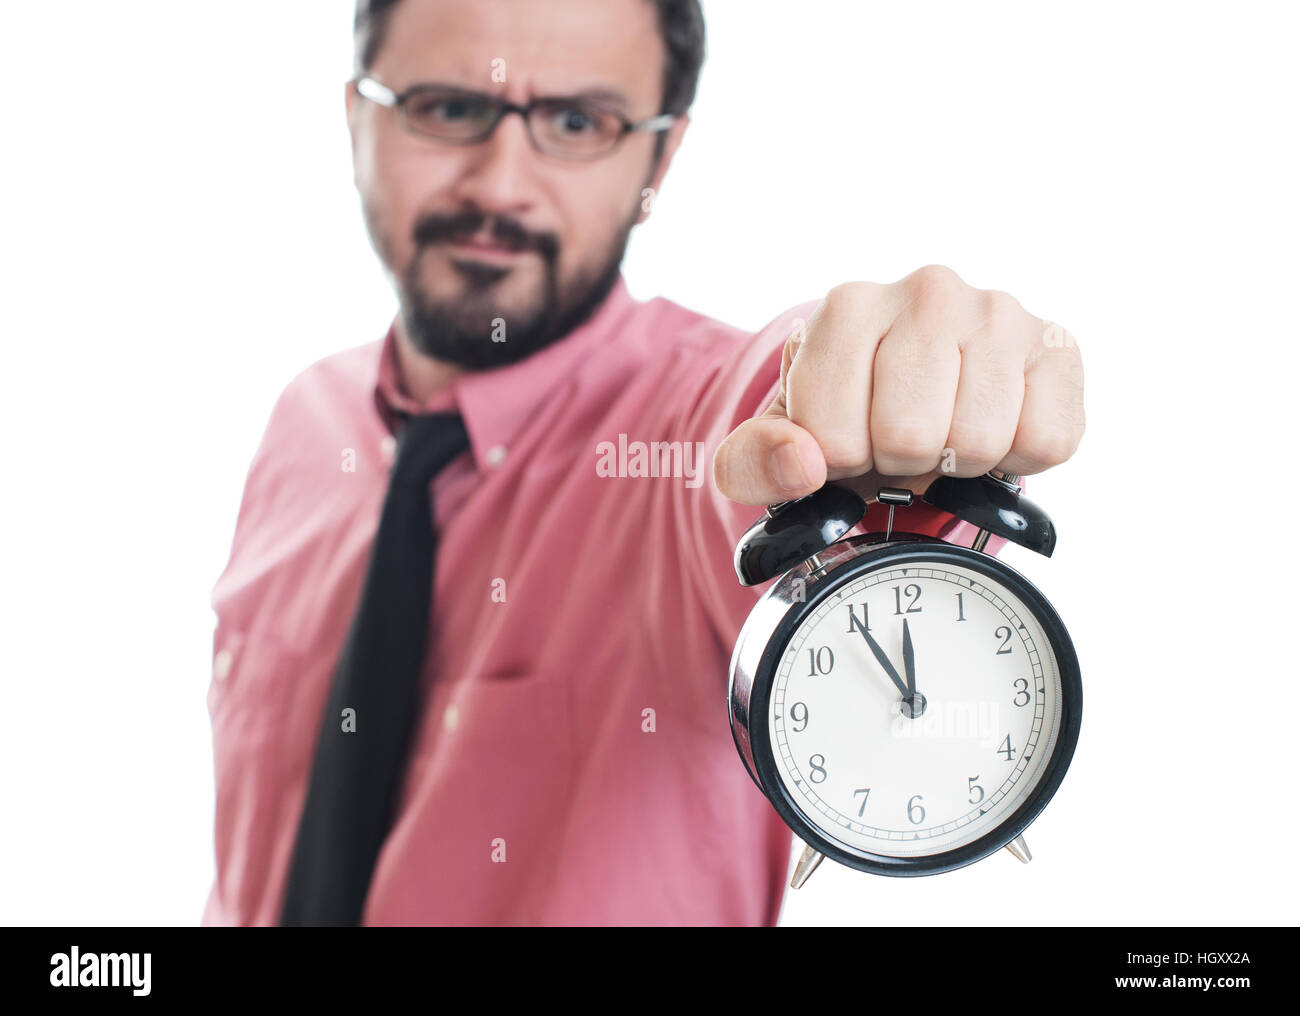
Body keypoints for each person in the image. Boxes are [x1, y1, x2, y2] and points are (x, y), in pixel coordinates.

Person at [201, 0, 1085, 926]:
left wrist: (849, 404)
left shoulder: (678, 435)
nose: (502, 185)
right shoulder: (304, 426)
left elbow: (751, 436)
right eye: (449, 108)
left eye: (579, 122)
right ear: (357, 116)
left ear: (659, 159)